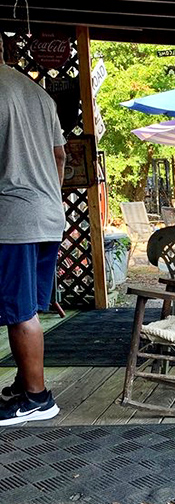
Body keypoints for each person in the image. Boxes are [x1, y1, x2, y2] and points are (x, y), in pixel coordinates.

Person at [0, 36, 66, 425]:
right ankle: (25, 387)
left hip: (13, 216)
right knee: (26, 307)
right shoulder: (38, 93)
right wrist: (48, 193)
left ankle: (38, 398)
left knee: (19, 310)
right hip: (46, 214)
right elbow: (60, 155)